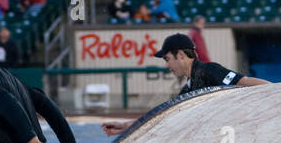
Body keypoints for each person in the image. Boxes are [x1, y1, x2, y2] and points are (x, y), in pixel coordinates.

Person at [101, 34, 270, 134]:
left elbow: (245, 81)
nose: (167, 66)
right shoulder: (188, 88)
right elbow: (161, 116)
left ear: (180, 55)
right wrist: (125, 127)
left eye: (167, 59)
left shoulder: (208, 70)